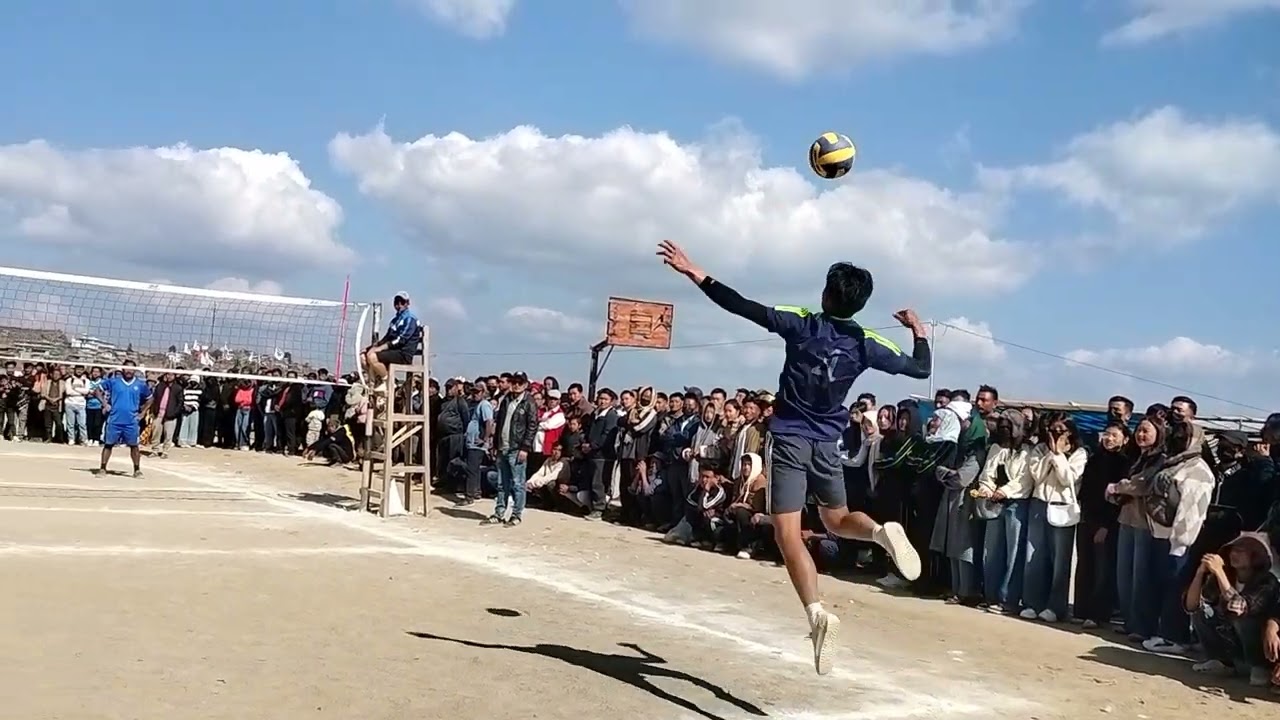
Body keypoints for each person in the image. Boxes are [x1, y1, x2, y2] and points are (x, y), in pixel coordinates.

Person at [656, 239, 930, 676]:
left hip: (788, 438)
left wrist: (695, 272)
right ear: (859, 305)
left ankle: (817, 613)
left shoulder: (803, 324)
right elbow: (920, 370)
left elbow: (743, 306)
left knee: (787, 534)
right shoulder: (865, 342)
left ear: (825, 295)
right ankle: (879, 532)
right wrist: (919, 332)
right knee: (837, 519)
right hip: (827, 442)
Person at [91, 361, 152, 478]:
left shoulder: (140, 385)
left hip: (131, 421)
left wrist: (143, 412)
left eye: (131, 369)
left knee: (134, 446)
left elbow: (150, 398)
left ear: (135, 370)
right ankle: (103, 468)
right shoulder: (114, 382)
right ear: (123, 369)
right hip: (115, 419)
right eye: (126, 368)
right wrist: (104, 404)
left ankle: (137, 470)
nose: (129, 371)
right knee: (108, 445)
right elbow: (97, 391)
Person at [363, 291, 420, 389]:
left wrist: (380, 349)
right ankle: (376, 381)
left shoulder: (410, 319)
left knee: (372, 357)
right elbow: (387, 338)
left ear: (407, 303)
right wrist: (372, 347)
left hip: (404, 354)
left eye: (402, 302)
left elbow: (401, 340)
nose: (399, 305)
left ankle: (389, 383)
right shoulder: (395, 320)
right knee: (363, 356)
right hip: (394, 351)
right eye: (396, 302)